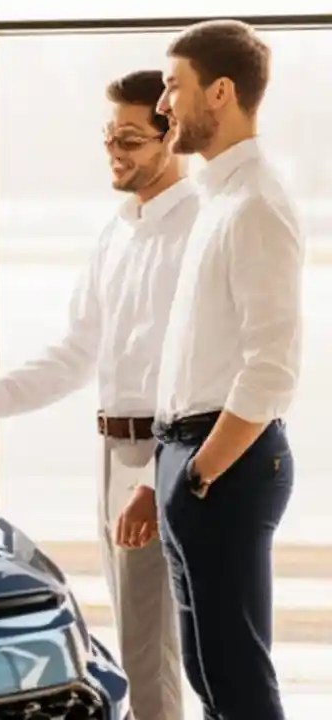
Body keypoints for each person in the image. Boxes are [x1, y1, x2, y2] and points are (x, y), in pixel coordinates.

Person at [0, 70, 193, 720]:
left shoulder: (197, 230)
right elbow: (75, 353)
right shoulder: (119, 231)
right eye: (108, 138)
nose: (115, 153)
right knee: (137, 645)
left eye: (130, 139)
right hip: (112, 453)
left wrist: (154, 478)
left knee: (153, 657)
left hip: (163, 452)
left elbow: (195, 372)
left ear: (169, 136)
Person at [152, 19, 302, 720]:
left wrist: (202, 473)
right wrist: (171, 467)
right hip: (192, 456)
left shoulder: (255, 205)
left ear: (219, 92)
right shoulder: (218, 199)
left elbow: (271, 371)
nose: (161, 105)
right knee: (211, 679)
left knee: (236, 683)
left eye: (172, 87)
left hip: (224, 464)